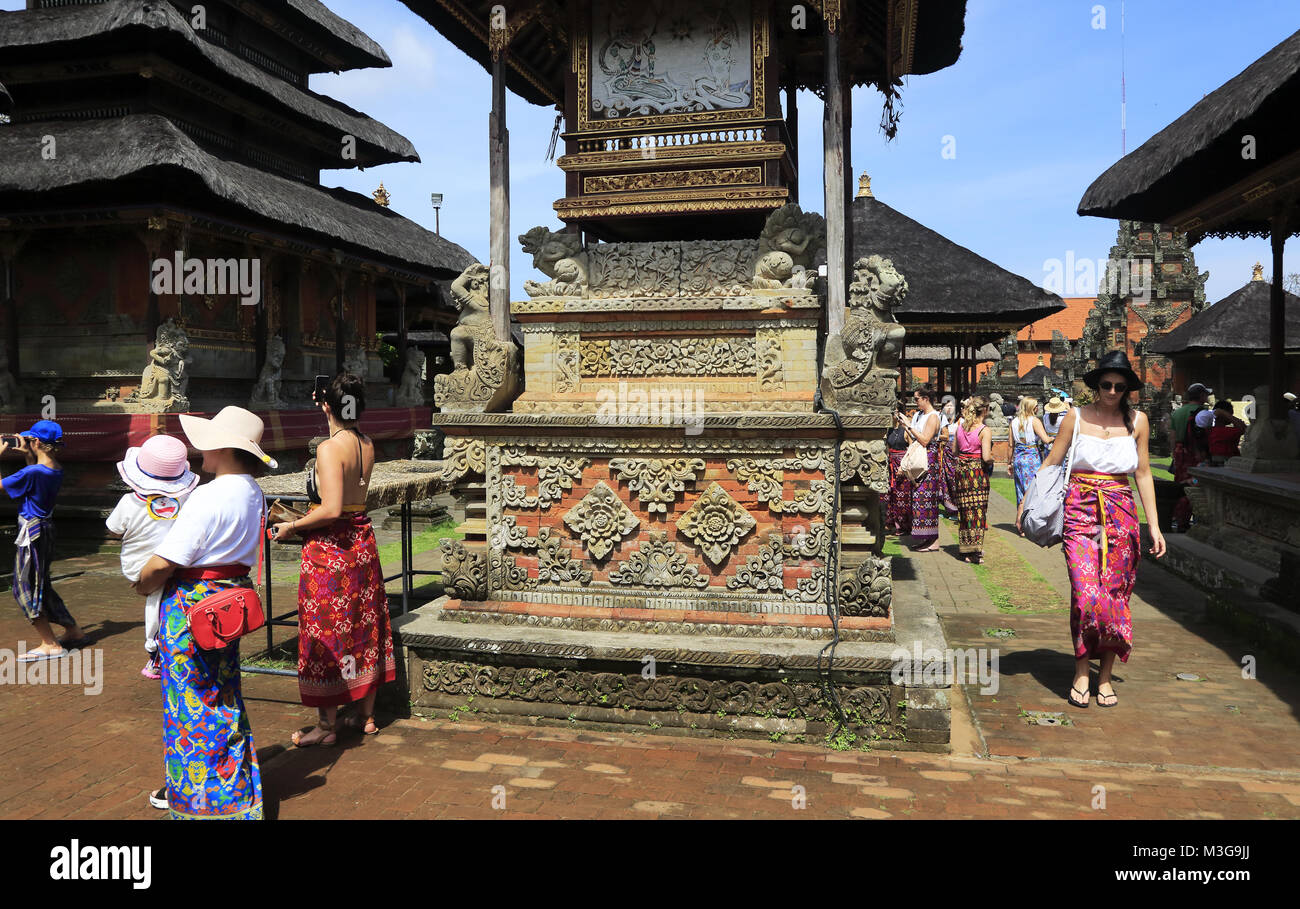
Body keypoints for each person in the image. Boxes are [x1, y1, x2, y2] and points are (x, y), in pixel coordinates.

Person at [135, 406, 273, 819]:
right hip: (228, 603)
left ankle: (203, 803)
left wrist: (141, 583)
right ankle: (239, 797)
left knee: (191, 705)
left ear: (224, 448)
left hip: (192, 606)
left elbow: (164, 562)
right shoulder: (253, 491)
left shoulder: (209, 495)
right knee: (224, 697)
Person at [1024, 351, 1165, 709]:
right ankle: (1081, 670)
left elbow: (1144, 473)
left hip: (1121, 512)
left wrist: (1156, 526)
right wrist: (1028, 501)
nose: (1113, 392)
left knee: (1114, 595)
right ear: (1096, 384)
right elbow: (1053, 460)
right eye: (1106, 385)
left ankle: (1104, 678)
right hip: (1080, 509)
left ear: (1128, 388)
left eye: (1120, 386)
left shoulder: (1138, 422)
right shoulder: (1075, 416)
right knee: (1086, 593)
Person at [271, 373, 395, 746]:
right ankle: (366, 715)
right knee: (363, 625)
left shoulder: (329, 449)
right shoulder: (367, 444)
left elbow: (331, 509)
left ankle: (326, 727)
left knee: (325, 630)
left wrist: (292, 527)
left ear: (325, 405)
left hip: (331, 550)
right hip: (362, 545)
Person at [106, 434, 199, 680]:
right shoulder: (186, 498)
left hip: (141, 565)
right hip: (180, 560)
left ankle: (155, 654)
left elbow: (113, 529)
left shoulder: (128, 502)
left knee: (155, 605)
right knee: (168, 602)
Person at [2, 421, 87, 661]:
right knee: (42, 583)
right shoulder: (54, 467)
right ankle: (73, 631)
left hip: (32, 532)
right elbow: (34, 484)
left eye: (30, 441)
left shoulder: (33, 472)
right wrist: (30, 456)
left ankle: (50, 643)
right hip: (45, 528)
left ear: (37, 442)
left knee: (24, 586)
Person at [896, 385, 942, 552]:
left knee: (927, 500)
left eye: (916, 399)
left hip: (928, 460)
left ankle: (933, 540)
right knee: (919, 499)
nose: (914, 402)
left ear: (926, 399)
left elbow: (924, 440)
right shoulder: (920, 415)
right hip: (920, 459)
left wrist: (909, 425)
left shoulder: (933, 417)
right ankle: (926, 538)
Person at [952, 396, 993, 563]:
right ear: (984, 410)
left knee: (964, 512)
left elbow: (954, 451)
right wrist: (992, 459)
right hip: (976, 472)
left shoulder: (960, 427)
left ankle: (965, 551)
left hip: (961, 472)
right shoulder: (984, 430)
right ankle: (975, 551)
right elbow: (985, 456)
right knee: (977, 512)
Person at [1169, 382, 1211, 530]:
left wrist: (1174, 455)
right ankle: (1196, 518)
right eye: (1205, 394)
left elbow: (1172, 437)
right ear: (1200, 396)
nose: (1207, 396)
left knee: (1181, 485)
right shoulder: (1203, 412)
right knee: (1197, 484)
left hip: (1180, 453)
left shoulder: (1177, 413)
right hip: (1196, 453)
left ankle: (1180, 518)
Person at [1009, 397, 1053, 516]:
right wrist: (1056, 436)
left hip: (1018, 458)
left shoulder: (1013, 422)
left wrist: (1009, 463)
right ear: (1032, 408)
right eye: (1036, 406)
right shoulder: (1034, 421)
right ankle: (1028, 519)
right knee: (1032, 489)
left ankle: (1021, 520)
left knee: (1020, 490)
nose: (1038, 408)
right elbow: (1046, 440)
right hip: (1032, 458)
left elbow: (1010, 445)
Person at [884, 397, 913, 535]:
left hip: (902, 464)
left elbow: (912, 448)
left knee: (902, 495)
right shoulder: (888, 430)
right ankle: (890, 522)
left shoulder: (905, 430)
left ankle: (903, 525)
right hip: (890, 464)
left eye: (895, 412)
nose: (893, 415)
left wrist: (903, 466)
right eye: (892, 413)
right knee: (889, 495)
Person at [1206, 400, 1246, 465]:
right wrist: (1224, 413)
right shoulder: (1224, 431)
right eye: (1230, 414)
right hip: (1228, 463)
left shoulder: (1210, 430)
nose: (1231, 416)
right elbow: (1243, 428)